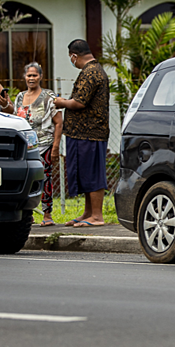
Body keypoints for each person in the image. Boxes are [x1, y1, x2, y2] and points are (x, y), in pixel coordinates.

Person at [54, 39, 110, 228]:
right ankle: (88, 213)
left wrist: (61, 102)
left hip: (90, 133)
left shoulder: (91, 73)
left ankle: (97, 215)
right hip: (82, 134)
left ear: (74, 56)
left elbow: (79, 102)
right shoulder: (92, 71)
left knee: (92, 173)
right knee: (85, 173)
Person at [14, 62, 63, 227]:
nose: (31, 78)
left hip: (44, 145)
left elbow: (58, 122)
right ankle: (28, 214)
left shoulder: (48, 97)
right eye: (29, 75)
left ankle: (47, 215)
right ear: (24, 77)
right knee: (25, 180)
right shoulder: (20, 97)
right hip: (25, 147)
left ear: (41, 77)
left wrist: (55, 147)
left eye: (34, 75)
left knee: (45, 179)